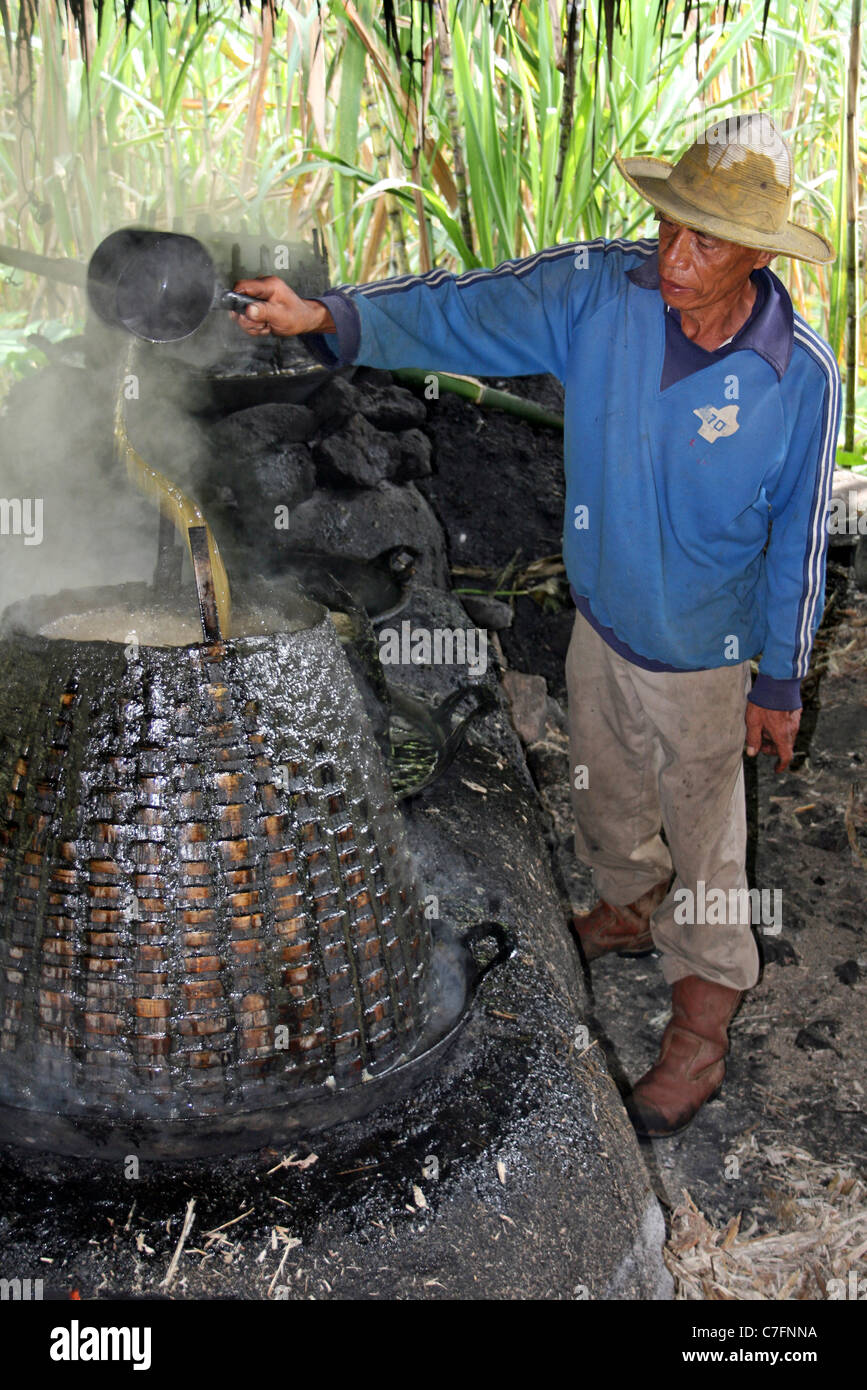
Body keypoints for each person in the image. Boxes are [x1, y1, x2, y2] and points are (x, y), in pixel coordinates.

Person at [232, 112, 840, 1138]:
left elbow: (800, 542)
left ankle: (701, 1017)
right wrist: (330, 315)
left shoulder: (799, 377)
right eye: (672, 227)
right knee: (604, 785)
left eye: (709, 241)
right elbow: (470, 308)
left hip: (709, 656)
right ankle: (623, 900)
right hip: (601, 622)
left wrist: (778, 680)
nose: (677, 257)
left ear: (760, 255)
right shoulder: (600, 291)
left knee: (711, 843)